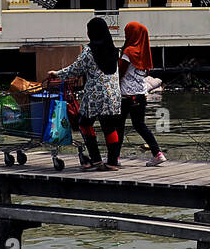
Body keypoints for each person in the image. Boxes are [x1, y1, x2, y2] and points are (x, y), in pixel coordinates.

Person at [47, 17, 123, 171]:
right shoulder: (114, 50)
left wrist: (57, 74)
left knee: (84, 123)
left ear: (91, 33)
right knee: (109, 126)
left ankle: (96, 159)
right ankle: (113, 161)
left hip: (96, 94)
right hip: (114, 94)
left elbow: (75, 69)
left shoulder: (89, 51)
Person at [118, 21, 165, 166]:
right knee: (140, 125)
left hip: (126, 96)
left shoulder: (128, 52)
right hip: (141, 95)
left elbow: (120, 73)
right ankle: (158, 153)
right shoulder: (145, 52)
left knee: (118, 126)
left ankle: (115, 157)